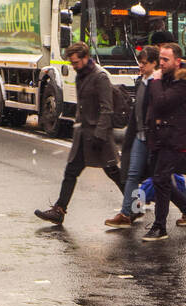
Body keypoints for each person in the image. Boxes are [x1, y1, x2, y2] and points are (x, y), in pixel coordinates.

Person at [35, 42, 123, 225]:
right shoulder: (81, 76)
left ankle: (136, 205)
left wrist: (100, 133)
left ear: (85, 58)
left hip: (100, 136)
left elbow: (107, 108)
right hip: (83, 134)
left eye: (75, 62)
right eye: (72, 63)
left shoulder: (100, 77)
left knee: (114, 172)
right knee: (71, 171)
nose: (73, 67)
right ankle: (59, 210)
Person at [141, 42, 186, 241]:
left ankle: (160, 227)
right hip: (159, 137)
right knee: (162, 181)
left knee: (160, 179)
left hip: (173, 139)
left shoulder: (182, 83)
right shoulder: (165, 79)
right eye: (160, 59)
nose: (162, 63)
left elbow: (161, 103)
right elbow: (154, 106)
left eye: (166, 59)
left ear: (177, 61)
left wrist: (155, 82)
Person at [106, 45, 160, 228]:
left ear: (154, 63)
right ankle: (128, 212)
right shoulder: (143, 81)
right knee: (132, 175)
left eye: (145, 64)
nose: (141, 66)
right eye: (140, 63)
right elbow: (137, 113)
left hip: (152, 139)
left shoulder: (156, 83)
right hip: (139, 137)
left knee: (164, 180)